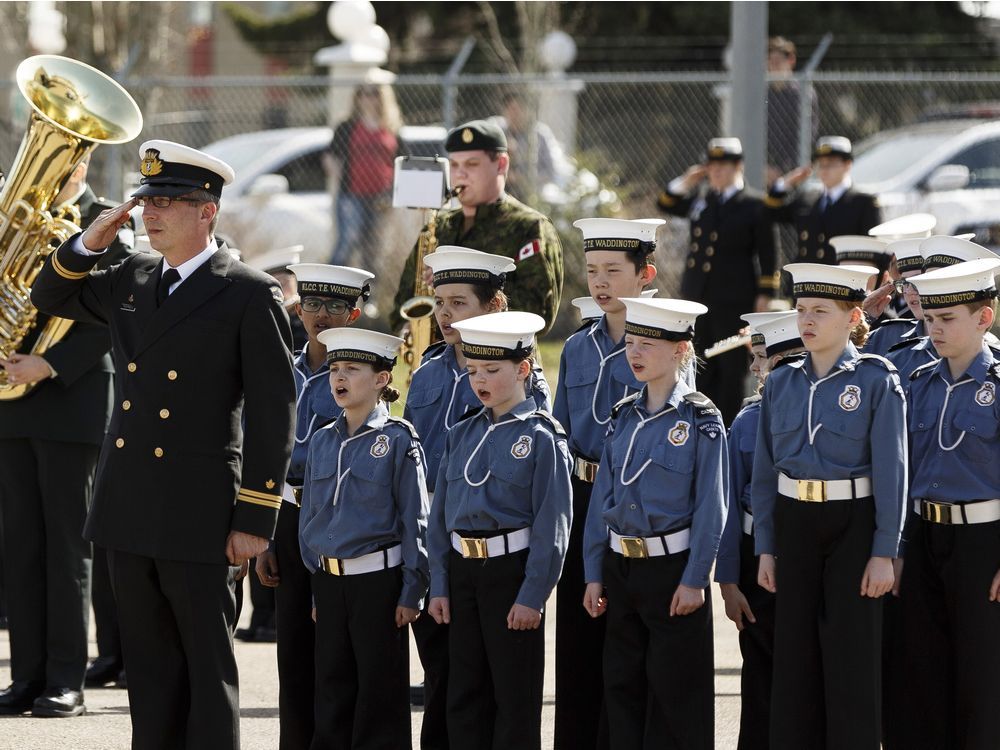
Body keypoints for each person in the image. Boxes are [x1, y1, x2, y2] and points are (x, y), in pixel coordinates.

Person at [30, 139, 296, 750]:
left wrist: (255, 517)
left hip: (201, 509)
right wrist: (89, 242)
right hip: (128, 504)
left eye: (169, 202)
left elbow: (273, 410)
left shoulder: (247, 291)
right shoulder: (132, 275)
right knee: (148, 674)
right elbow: (51, 297)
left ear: (208, 211)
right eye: (148, 201)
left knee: (205, 667)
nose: (151, 213)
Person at [752, 263, 907, 750]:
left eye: (821, 310)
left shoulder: (877, 379)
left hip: (853, 526)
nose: (807, 320)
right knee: (794, 663)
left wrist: (884, 552)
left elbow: (893, 473)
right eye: (801, 309)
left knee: (852, 663)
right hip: (794, 523)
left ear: (853, 316)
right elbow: (764, 474)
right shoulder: (781, 382)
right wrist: (766, 547)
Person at [0, 158, 134, 717]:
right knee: (20, 548)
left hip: (71, 401)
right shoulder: (11, 217)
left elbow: (114, 315)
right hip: (11, 402)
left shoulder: (106, 223)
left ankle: (65, 679)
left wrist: (49, 364)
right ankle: (25, 676)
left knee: (67, 548)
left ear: (81, 162)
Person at [404, 246, 551, 750]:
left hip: (493, 543)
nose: (445, 314)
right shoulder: (427, 371)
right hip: (433, 538)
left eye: (459, 302)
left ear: (494, 307)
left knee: (494, 682)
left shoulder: (520, 380)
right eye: (440, 302)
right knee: (444, 674)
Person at [582, 296, 726, 750]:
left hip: (672, 571)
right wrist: (593, 572)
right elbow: (601, 500)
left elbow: (712, 505)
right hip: (622, 568)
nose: (635, 353)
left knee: (675, 698)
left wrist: (695, 579)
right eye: (630, 343)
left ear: (680, 350)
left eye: (647, 344)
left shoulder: (701, 418)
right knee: (622, 690)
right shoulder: (623, 415)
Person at [427, 311, 571, 750]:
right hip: (463, 573)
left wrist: (533, 595)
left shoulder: (543, 436)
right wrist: (439, 584)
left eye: (492, 370)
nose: (480, 380)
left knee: (514, 698)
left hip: (511, 573)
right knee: (464, 695)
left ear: (523, 369)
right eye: (473, 371)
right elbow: (439, 520)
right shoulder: (461, 433)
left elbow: (553, 525)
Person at [551, 218, 661, 750]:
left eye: (613, 271)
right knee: (577, 636)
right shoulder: (577, 347)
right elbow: (559, 432)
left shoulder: (660, 344)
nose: (600, 282)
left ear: (645, 276)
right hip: (580, 496)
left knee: (624, 640)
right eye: (593, 270)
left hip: (630, 501)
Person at [255, 262, 372, 750]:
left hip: (335, 518)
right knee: (293, 650)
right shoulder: (281, 366)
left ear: (354, 314)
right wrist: (264, 533)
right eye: (312, 304)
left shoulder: (360, 375)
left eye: (336, 306)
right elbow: (263, 448)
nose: (322, 315)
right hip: (286, 514)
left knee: (335, 652)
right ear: (298, 308)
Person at [299, 326, 428, 750]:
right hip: (330, 581)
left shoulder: (398, 439)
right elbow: (310, 515)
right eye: (335, 367)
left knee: (379, 696)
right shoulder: (322, 440)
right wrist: (317, 583)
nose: (339, 377)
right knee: (331, 692)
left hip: (379, 583)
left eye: (353, 369)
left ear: (381, 379)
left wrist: (412, 590)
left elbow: (415, 520)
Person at [899, 258, 1000, 750]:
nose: (935, 329)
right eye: (930, 319)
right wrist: (898, 548)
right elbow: (903, 474)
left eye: (948, 319)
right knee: (924, 670)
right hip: (924, 535)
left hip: (983, 541)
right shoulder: (918, 382)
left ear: (985, 318)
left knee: (982, 674)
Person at [714, 310, 803, 750]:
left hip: (805, 553)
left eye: (762, 357)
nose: (754, 366)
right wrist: (729, 581)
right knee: (760, 675)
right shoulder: (746, 420)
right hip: (755, 559)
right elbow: (728, 506)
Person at [392, 120, 564, 334]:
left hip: (499, 353)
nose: (460, 174)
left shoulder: (530, 227)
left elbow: (538, 314)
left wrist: (459, 285)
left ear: (501, 164)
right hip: (438, 354)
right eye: (454, 165)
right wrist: (410, 329)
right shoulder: (438, 227)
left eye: (472, 164)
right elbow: (402, 306)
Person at [657, 137, 778, 424]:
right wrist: (688, 180)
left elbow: (769, 253)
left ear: (738, 166)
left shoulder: (755, 204)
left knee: (730, 368)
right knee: (698, 364)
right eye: (712, 165)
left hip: (734, 299)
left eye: (723, 165)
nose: (716, 171)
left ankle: (726, 428)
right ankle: (699, 424)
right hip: (698, 297)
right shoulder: (703, 200)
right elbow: (666, 202)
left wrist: (765, 295)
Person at [766, 136, 881, 264]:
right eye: (821, 164)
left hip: (842, 275)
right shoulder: (807, 198)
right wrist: (785, 183)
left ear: (847, 165)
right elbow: (771, 213)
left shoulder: (863, 202)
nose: (824, 170)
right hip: (806, 274)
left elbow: (873, 250)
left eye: (830, 164)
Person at [323, 82, 401, 268]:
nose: (368, 99)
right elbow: (330, 156)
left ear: (382, 97)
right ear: (357, 98)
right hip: (352, 195)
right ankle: (330, 282)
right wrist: (338, 175)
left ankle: (369, 287)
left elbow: (401, 160)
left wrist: (395, 190)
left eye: (374, 94)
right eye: (363, 94)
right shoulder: (347, 126)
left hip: (381, 196)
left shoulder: (391, 128)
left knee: (373, 247)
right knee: (349, 240)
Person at [490, 91, 575, 197]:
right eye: (511, 109)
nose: (515, 114)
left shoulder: (540, 134)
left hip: (533, 190)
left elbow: (550, 171)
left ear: (527, 111)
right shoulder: (498, 132)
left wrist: (524, 179)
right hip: (501, 188)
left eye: (518, 109)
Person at [766, 36, 819, 185]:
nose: (774, 65)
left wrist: (785, 170)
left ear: (791, 60)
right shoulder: (761, 95)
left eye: (778, 61)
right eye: (770, 60)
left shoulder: (803, 94)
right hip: (764, 172)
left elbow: (807, 136)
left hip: (795, 172)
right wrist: (763, 167)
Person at [249, 245, 307, 354]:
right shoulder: (258, 323)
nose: (279, 292)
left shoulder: (308, 318)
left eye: (283, 283)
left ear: (295, 281)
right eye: (272, 287)